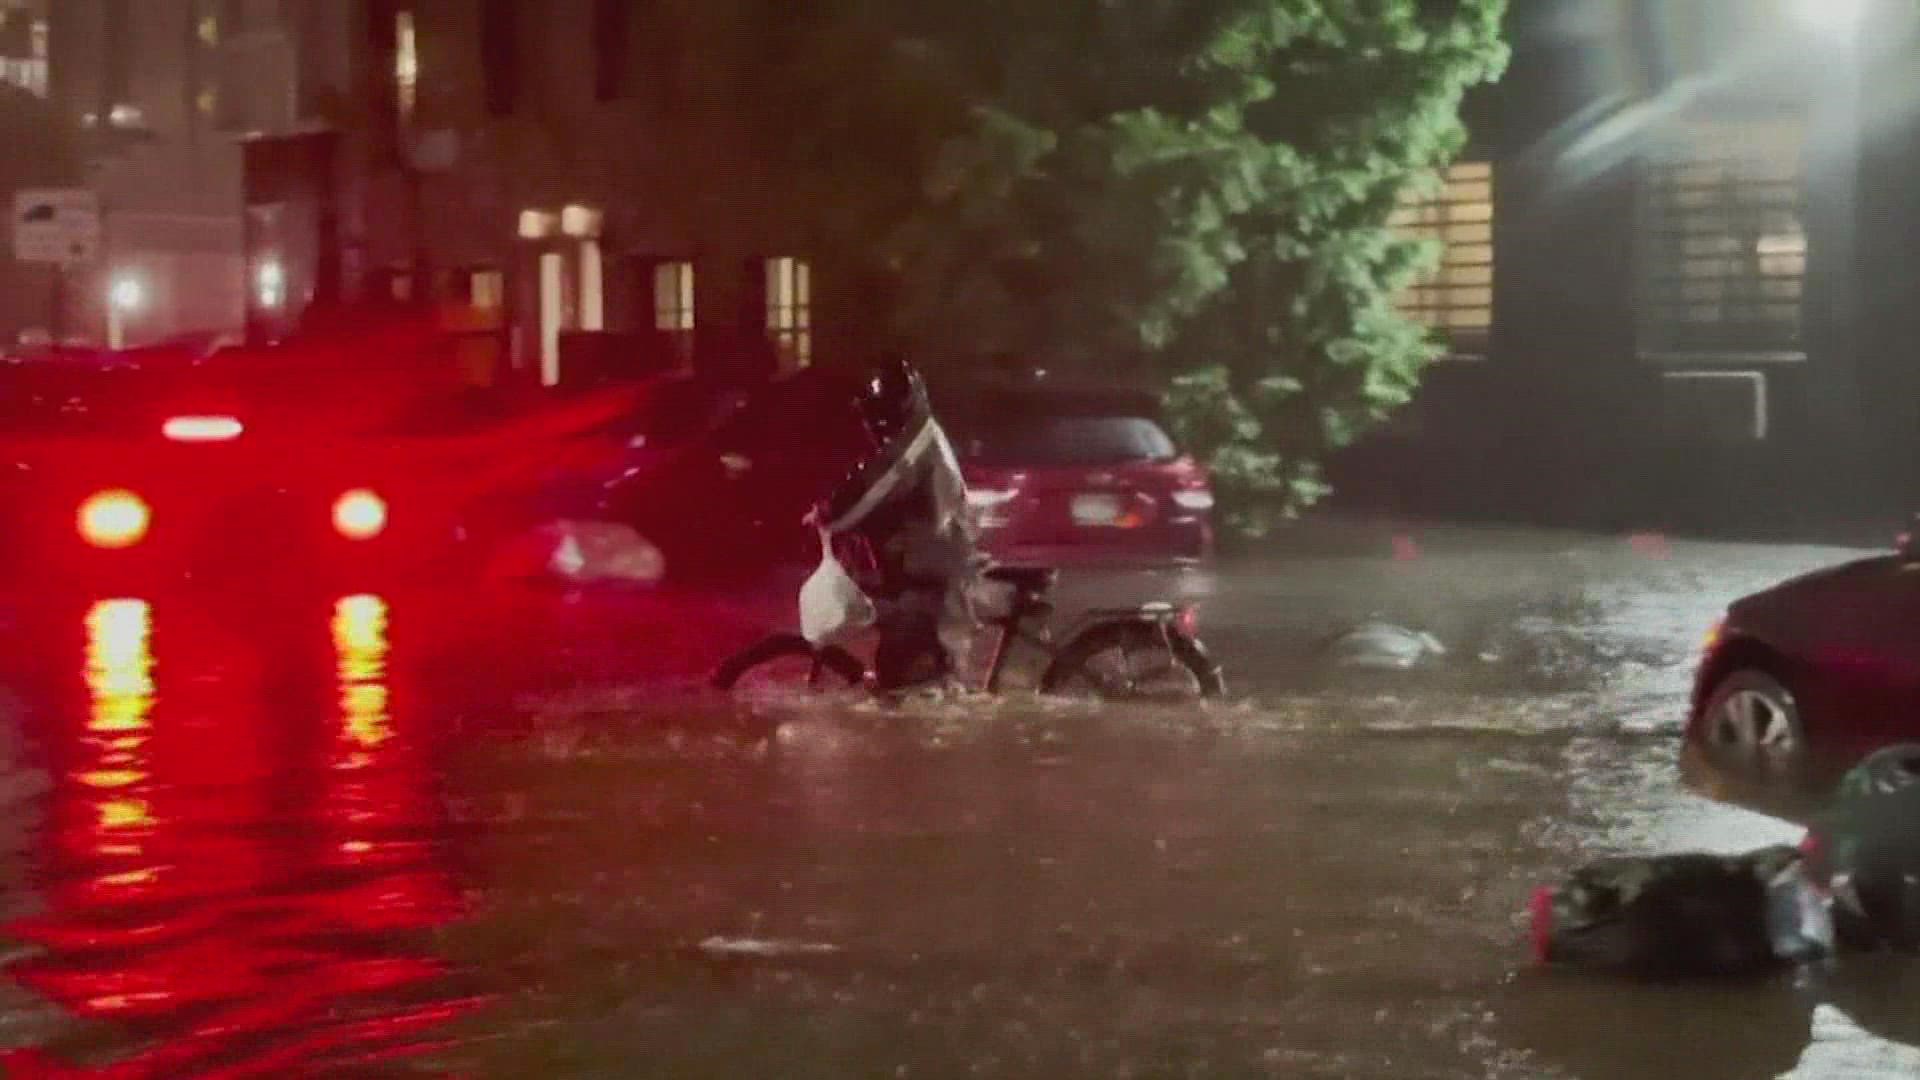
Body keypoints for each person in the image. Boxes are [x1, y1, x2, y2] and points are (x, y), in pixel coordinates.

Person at [815, 355, 979, 691]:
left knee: (911, 680)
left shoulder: (914, 443)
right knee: (907, 671)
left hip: (929, 576)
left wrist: (829, 512)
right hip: (928, 569)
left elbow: (875, 487)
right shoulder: (920, 432)